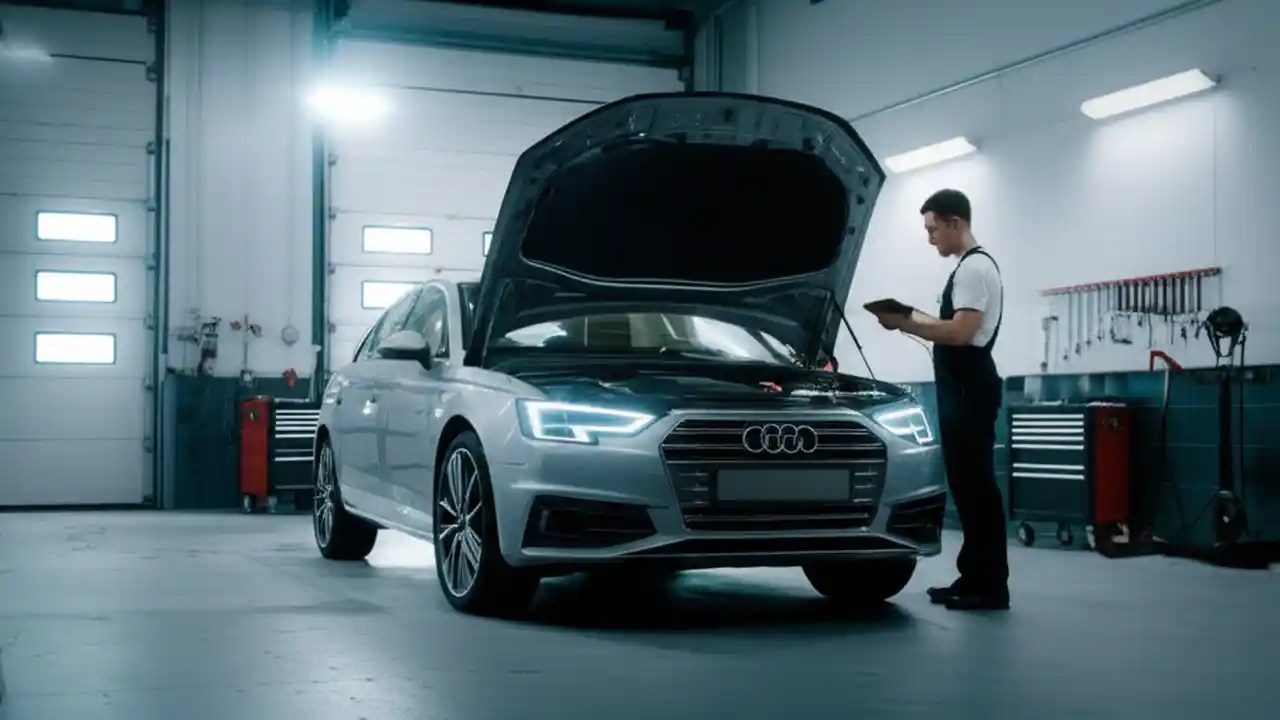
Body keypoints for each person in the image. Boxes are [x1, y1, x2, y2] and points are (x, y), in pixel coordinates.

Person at [872, 188, 1009, 611]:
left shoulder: (973, 269)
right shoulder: (969, 268)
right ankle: (974, 578)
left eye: (933, 229)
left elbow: (961, 333)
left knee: (977, 488)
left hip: (969, 386)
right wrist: (907, 317)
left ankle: (989, 587)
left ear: (956, 223)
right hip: (964, 386)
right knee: (967, 487)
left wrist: (907, 326)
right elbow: (950, 324)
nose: (930, 237)